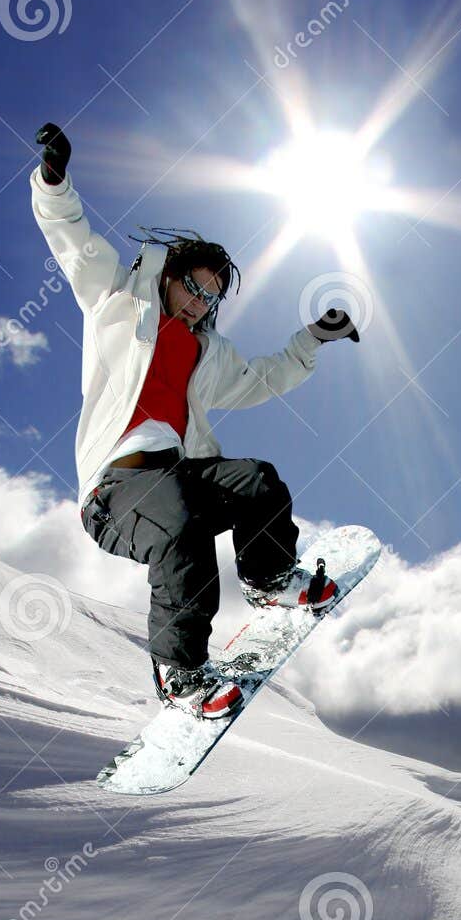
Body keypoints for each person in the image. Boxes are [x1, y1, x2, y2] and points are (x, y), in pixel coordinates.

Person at [31, 123, 360, 718]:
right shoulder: (119, 300)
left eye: (210, 298)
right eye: (193, 287)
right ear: (167, 276)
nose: (199, 303)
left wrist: (313, 336)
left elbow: (264, 378)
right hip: (117, 490)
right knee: (180, 530)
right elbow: (75, 242)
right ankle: (180, 674)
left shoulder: (207, 351)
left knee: (258, 479)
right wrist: (55, 182)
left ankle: (267, 578)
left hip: (179, 479)